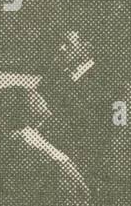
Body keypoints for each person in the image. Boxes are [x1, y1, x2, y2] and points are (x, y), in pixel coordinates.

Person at [34, 29, 110, 183]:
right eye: (60, 43)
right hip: (47, 165)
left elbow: (110, 133)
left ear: (86, 47)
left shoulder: (107, 82)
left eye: (67, 44)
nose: (60, 48)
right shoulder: (51, 78)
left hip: (83, 170)